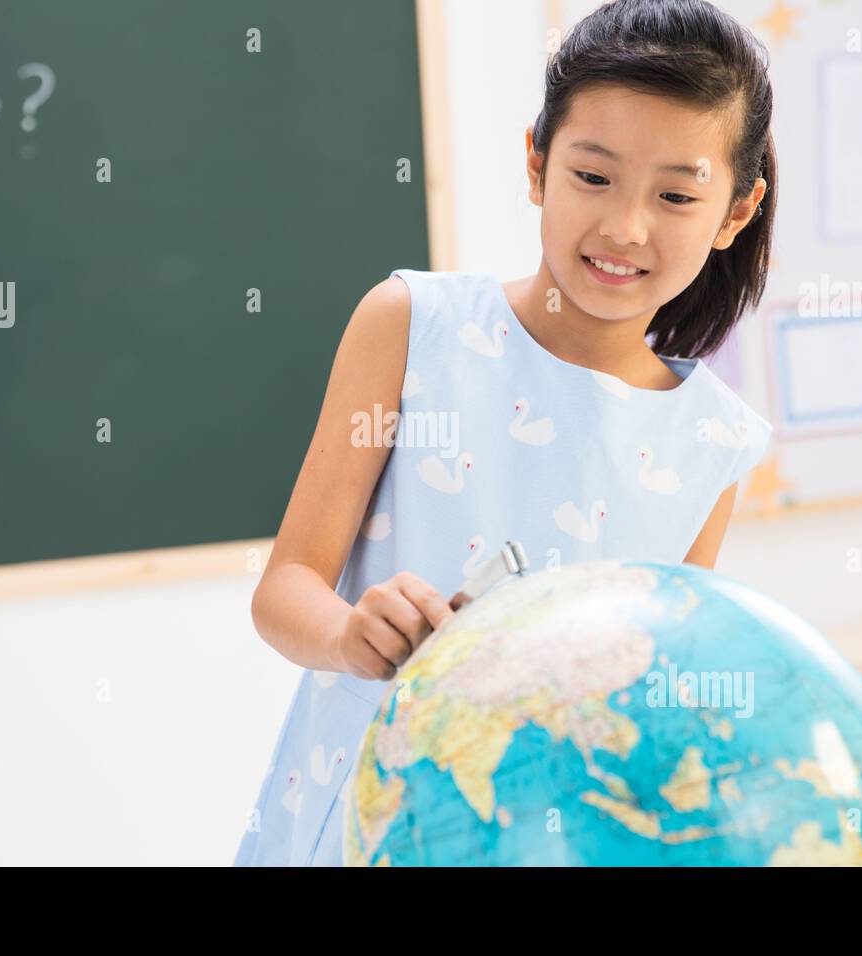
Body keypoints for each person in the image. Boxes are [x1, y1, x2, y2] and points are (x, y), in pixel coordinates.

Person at [235, 0, 776, 866]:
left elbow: (653, 685)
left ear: (734, 215)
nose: (625, 227)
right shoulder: (412, 324)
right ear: (537, 162)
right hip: (355, 827)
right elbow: (285, 586)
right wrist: (347, 635)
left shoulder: (713, 440)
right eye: (592, 176)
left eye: (677, 196)